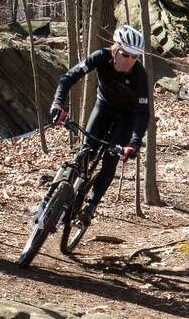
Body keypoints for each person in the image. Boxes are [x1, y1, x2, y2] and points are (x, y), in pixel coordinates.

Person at [50, 24, 149, 226]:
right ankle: (65, 194)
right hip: (103, 107)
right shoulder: (100, 56)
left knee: (110, 159)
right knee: (86, 151)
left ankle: (91, 205)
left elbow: (143, 113)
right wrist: (58, 103)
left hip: (126, 117)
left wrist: (135, 142)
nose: (130, 61)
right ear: (115, 49)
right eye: (126, 55)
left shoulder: (140, 75)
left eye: (135, 57)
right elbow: (68, 78)